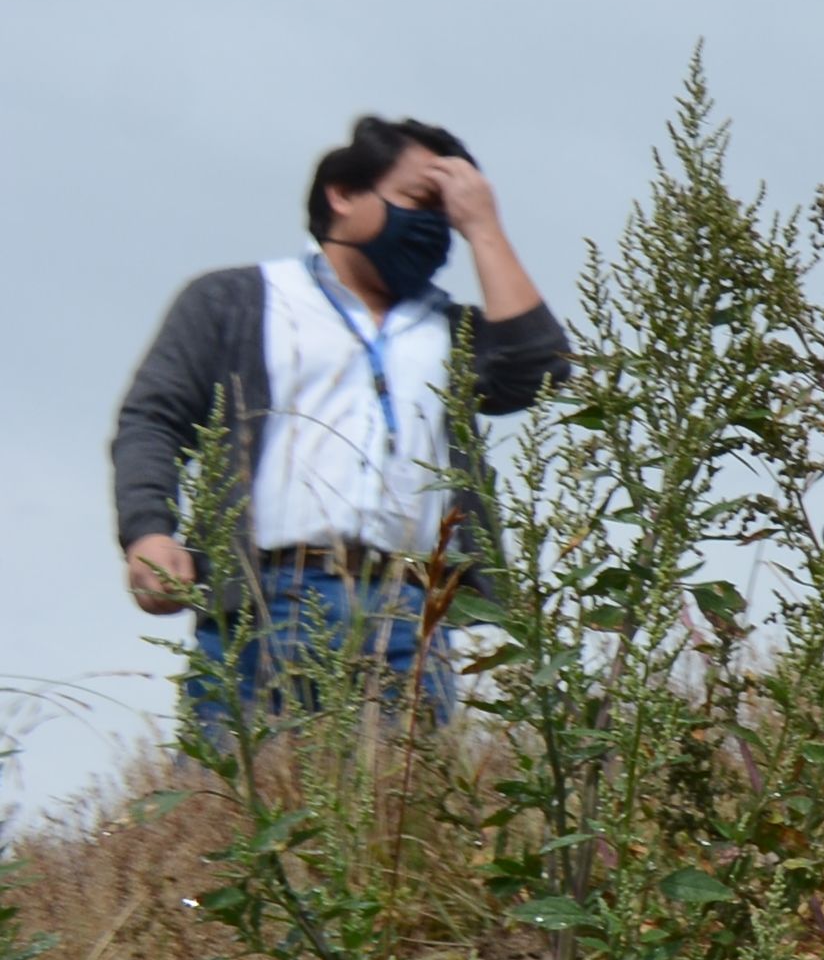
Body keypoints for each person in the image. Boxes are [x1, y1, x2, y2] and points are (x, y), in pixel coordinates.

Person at [111, 115, 571, 730]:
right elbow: (153, 418)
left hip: (411, 611)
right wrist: (149, 532)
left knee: (397, 815)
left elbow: (540, 368)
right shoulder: (236, 300)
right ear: (344, 193)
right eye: (418, 200)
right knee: (227, 803)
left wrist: (484, 227)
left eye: (448, 211)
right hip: (263, 598)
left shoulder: (452, 332)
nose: (434, 224)